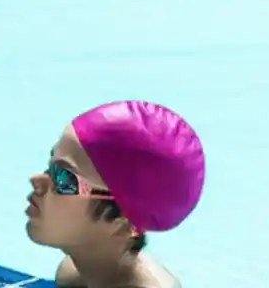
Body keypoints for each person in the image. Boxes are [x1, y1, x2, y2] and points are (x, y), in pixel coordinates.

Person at [25, 100, 205, 288]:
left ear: (124, 221)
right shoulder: (74, 275)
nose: (36, 180)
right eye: (50, 166)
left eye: (64, 178)